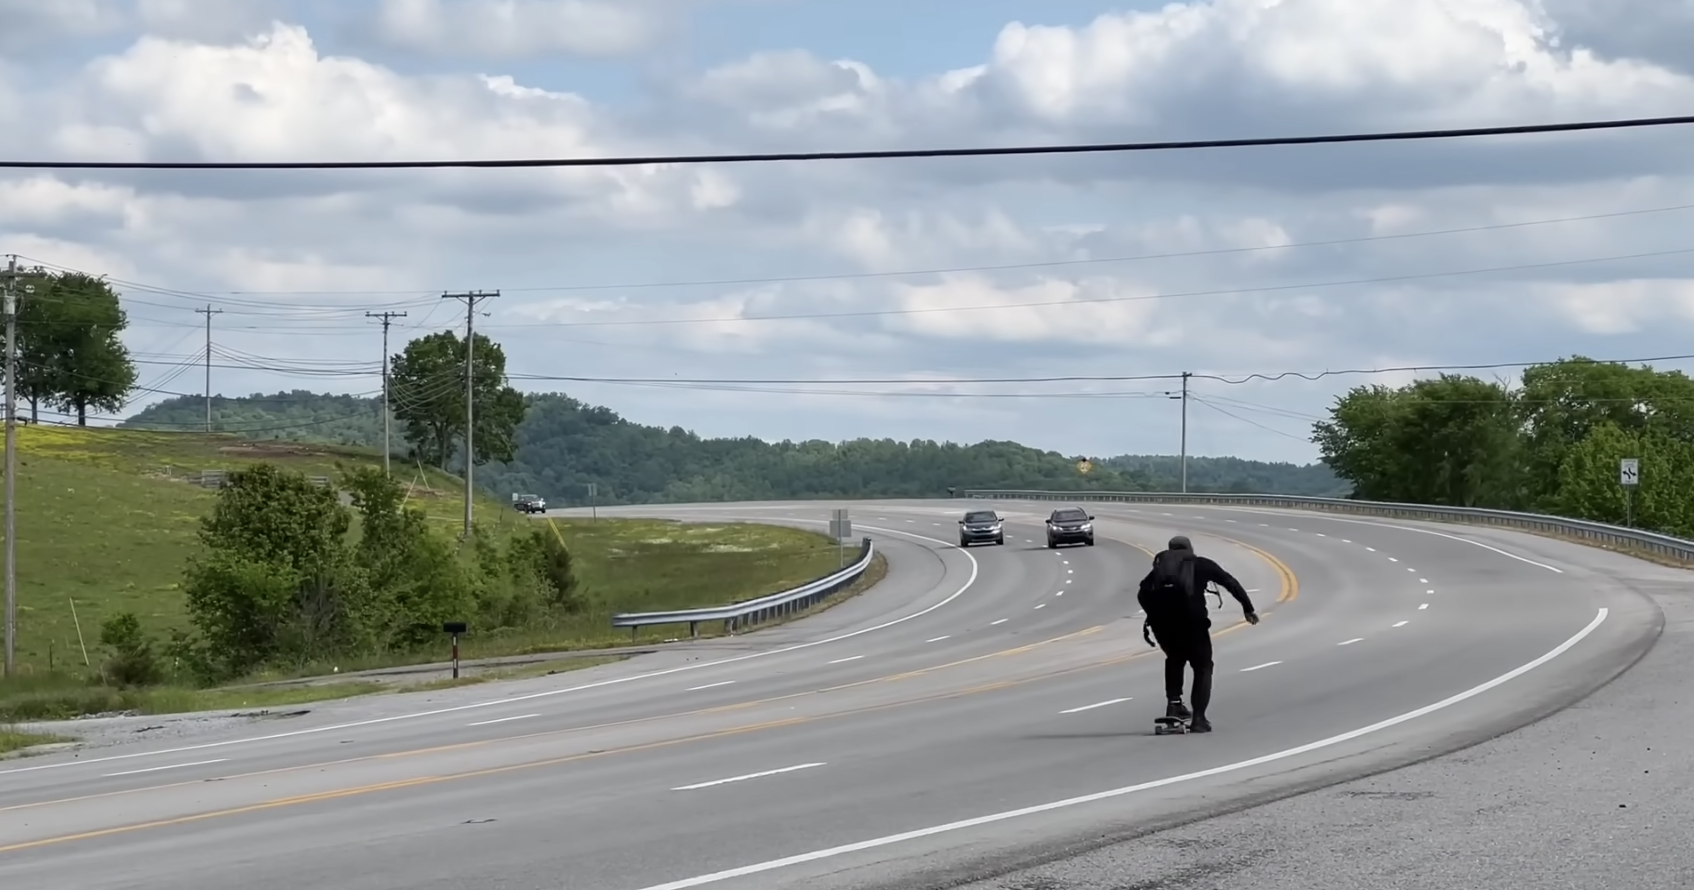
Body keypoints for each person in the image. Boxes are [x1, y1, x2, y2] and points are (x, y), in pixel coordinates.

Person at [1136, 534, 1259, 732]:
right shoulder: (1201, 564)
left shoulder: (1159, 569)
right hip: (1193, 624)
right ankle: (1199, 719)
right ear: (1190, 548)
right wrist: (1248, 607)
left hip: (1164, 627)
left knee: (1174, 660)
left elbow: (1142, 593)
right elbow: (1230, 582)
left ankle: (1174, 704)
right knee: (1202, 667)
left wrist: (1154, 616)